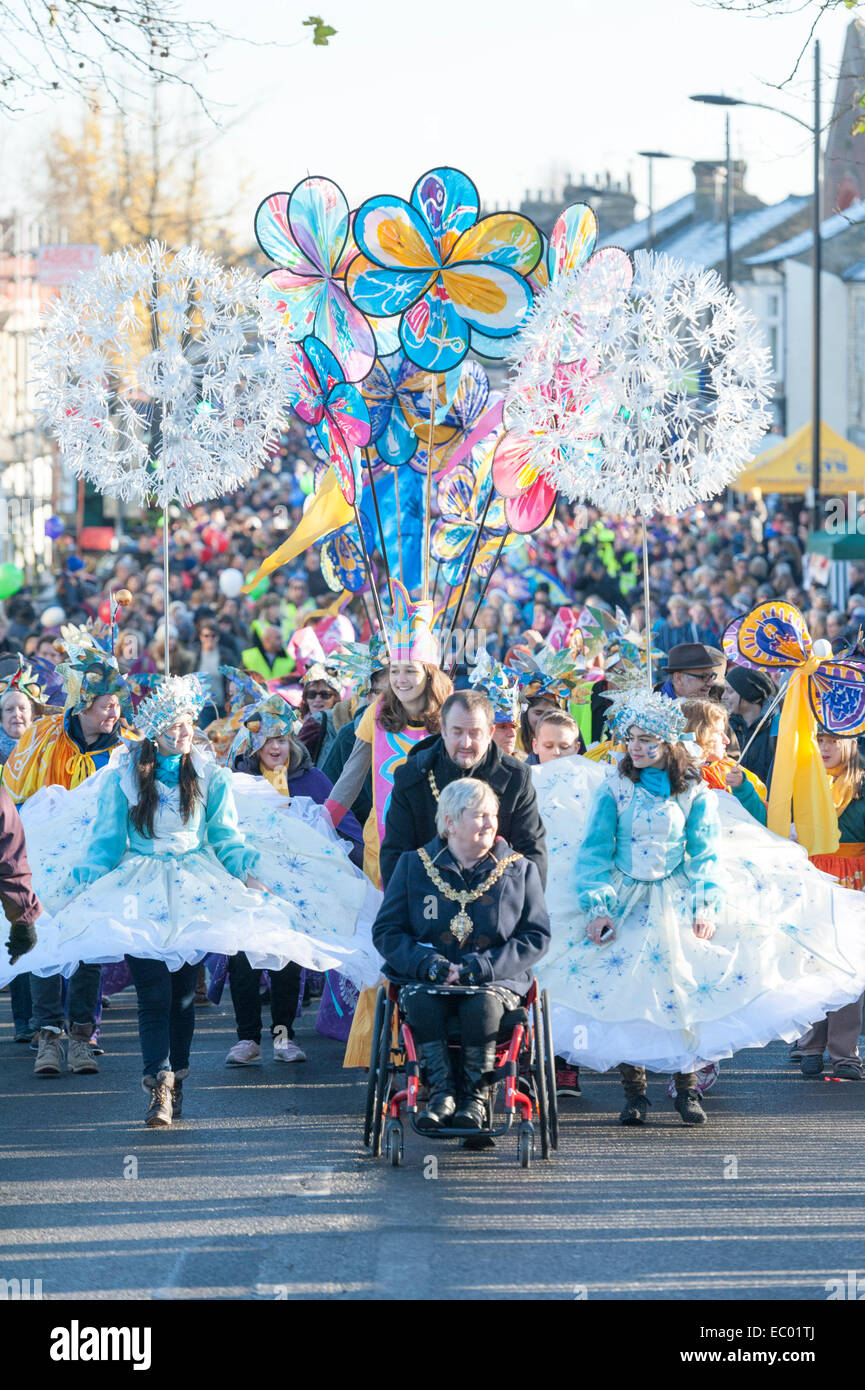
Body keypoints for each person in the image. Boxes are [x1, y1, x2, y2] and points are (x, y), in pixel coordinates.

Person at [4, 675, 380, 1126]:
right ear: (153, 730)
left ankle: (177, 1077)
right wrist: (67, 891)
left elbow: (227, 839)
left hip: (196, 889)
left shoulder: (210, 776)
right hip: (136, 892)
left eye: (186, 724)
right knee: (153, 995)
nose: (183, 733)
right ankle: (157, 1083)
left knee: (182, 996)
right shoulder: (122, 778)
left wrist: (251, 874)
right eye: (173, 725)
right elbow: (104, 847)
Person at [536, 689, 865, 1128]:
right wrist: (598, 907)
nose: (637, 747)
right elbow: (594, 853)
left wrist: (704, 905)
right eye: (632, 738)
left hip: (676, 897)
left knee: (683, 990)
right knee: (625, 990)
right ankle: (634, 1093)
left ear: (668, 743)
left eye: (648, 739)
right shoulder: (613, 787)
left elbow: (703, 855)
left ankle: (686, 1088)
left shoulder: (692, 791)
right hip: (624, 900)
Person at [372, 778, 550, 1134]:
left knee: (480, 1006)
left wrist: (481, 968)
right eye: (479, 815)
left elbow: (535, 936)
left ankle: (476, 1100)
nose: (488, 823)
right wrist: (428, 965)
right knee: (423, 1004)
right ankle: (441, 1095)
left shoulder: (519, 869)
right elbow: (387, 932)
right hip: (427, 976)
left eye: (492, 816)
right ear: (451, 821)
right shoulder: (413, 866)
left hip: (493, 980)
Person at [4, 627, 136, 1077]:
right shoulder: (42, 736)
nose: (114, 711)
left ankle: (82, 1036)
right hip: (44, 857)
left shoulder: (127, 749)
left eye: (117, 703)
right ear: (83, 705)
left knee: (89, 944)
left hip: (98, 861)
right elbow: (15, 793)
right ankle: (47, 1035)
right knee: (47, 944)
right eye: (105, 704)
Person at [216, 691, 365, 1067]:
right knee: (243, 961)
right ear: (253, 744)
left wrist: (364, 863)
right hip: (246, 883)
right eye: (267, 740)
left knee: (287, 961)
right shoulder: (235, 782)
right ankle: (247, 1039)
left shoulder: (312, 779)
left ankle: (283, 1036)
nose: (276, 747)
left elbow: (340, 824)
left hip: (294, 890)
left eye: (281, 739)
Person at [326, 584, 452, 889]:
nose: (400, 680)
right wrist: (323, 824)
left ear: (429, 673)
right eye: (395, 671)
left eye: (410, 671)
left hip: (442, 843)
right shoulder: (375, 713)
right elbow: (351, 778)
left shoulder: (452, 714)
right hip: (382, 843)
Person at [379, 688, 548, 891]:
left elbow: (531, 852)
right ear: (443, 730)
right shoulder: (412, 776)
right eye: (457, 732)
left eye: (474, 733)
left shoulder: (516, 778)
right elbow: (396, 854)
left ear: (490, 733)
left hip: (494, 896)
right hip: (428, 896)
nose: (465, 743)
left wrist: (525, 912)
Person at [795, 729, 865, 1081]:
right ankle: (810, 1043)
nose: (824, 748)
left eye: (832, 740)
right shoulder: (803, 781)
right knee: (813, 962)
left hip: (854, 880)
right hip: (811, 876)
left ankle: (845, 1051)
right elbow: (770, 818)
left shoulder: (861, 785)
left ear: (852, 741)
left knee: (849, 966)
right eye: (818, 740)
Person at [679, 698, 767, 824]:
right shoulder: (677, 774)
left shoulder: (730, 770)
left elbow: (761, 821)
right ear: (699, 735)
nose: (727, 740)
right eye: (719, 733)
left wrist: (742, 788)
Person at [722, 665, 778, 787]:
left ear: (748, 693)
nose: (723, 696)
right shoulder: (725, 725)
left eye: (730, 691)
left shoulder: (777, 727)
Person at [655, 643, 726, 702]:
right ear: (678, 678)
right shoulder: (654, 709)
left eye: (711, 676)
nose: (711, 683)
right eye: (704, 677)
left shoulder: (717, 699)